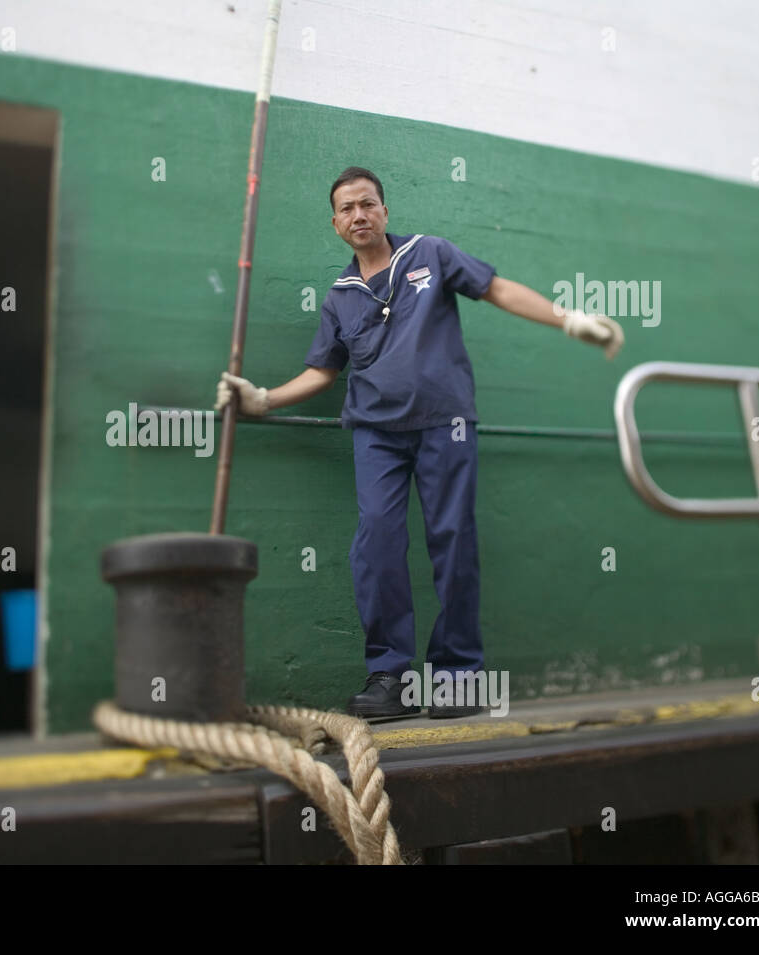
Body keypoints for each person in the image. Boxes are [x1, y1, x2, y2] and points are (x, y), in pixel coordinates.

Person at [215, 166, 623, 721]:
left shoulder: (430, 254)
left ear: (384, 211)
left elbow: (495, 288)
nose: (359, 215)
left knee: (452, 541)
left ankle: (459, 675)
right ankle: (391, 678)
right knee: (377, 544)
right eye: (347, 209)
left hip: (444, 424)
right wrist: (261, 399)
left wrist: (569, 320)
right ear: (335, 223)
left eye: (368, 204)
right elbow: (321, 373)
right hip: (375, 434)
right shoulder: (339, 298)